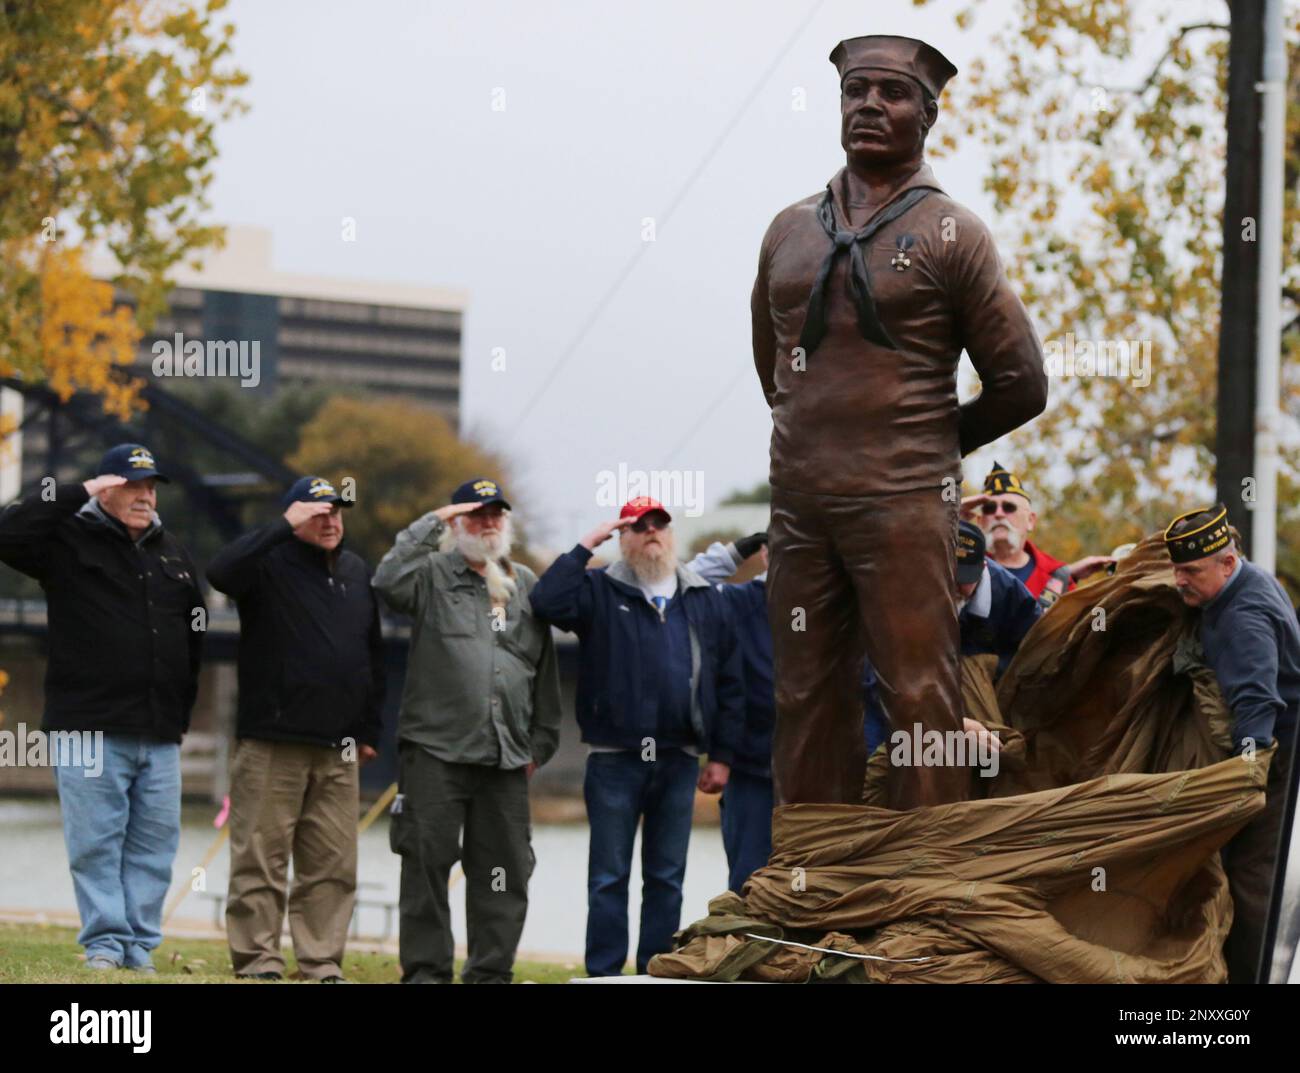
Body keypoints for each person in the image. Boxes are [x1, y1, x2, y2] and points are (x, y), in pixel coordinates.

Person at [752, 34, 1047, 810]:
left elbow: (1021, 382)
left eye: (890, 93)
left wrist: (926, 448)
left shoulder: (956, 233)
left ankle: (928, 883)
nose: (869, 106)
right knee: (803, 691)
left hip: (906, 501)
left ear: (928, 112)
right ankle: (816, 878)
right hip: (802, 503)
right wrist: (817, 444)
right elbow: (777, 371)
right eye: (856, 91)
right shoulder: (789, 231)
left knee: (920, 696)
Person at [0, 443, 204, 973]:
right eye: (134, 485)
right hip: (86, 724)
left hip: (157, 730)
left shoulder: (172, 553)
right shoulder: (66, 539)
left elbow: (194, 634)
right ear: (106, 489)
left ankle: (138, 949)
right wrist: (80, 492)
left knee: (154, 850)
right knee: (96, 845)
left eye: (152, 486)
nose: (147, 495)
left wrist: (180, 713)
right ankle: (106, 946)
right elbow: (8, 531)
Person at [530, 496, 743, 976]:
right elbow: (545, 603)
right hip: (614, 759)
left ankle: (656, 969)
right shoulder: (598, 590)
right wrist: (586, 544)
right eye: (638, 525)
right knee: (608, 876)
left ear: (671, 536)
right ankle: (604, 972)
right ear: (622, 538)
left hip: (679, 757)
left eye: (659, 525)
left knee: (667, 877)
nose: (651, 532)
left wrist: (721, 755)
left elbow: (729, 681)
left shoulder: (702, 598)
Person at [373, 478, 561, 984]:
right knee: (425, 864)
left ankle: (490, 972)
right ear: (457, 523)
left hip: (506, 755)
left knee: (505, 872)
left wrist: (540, 742)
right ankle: (427, 973)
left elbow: (541, 669)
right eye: (476, 514)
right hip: (436, 749)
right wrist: (435, 517)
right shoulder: (431, 575)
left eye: (496, 514)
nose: (488, 522)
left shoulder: (523, 582)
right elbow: (386, 581)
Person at [206, 475, 385, 982]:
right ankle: (258, 960)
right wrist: (284, 526)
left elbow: (371, 653)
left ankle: (321, 963)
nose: (330, 521)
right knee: (260, 859)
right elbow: (220, 571)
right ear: (295, 516)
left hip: (340, 748)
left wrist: (368, 727)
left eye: (337, 513)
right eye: (318, 513)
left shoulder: (355, 571)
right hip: (272, 741)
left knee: (332, 865)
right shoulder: (265, 565)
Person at [1164, 504, 1300, 983]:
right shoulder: (1239, 584)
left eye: (1191, 571)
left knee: (1249, 877)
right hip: (1273, 749)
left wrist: (1244, 780)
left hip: (1274, 756)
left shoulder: (1244, 616)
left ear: (1226, 562)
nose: (1180, 580)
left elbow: (1258, 701)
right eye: (1176, 568)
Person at [864, 520, 1039, 752]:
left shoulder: (1011, 596)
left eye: (965, 579)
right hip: (903, 700)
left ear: (984, 566)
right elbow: (882, 678)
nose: (955, 587)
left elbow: (1034, 656)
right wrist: (951, 724)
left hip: (981, 700)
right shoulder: (901, 593)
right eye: (947, 576)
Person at [685, 532, 774, 893]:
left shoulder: (833, 603)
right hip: (752, 769)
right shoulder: (738, 601)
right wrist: (737, 552)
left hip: (819, 778)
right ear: (765, 555)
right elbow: (682, 587)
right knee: (748, 885)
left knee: (817, 888)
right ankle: (743, 949)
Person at [962, 461, 1112, 608]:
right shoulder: (963, 564)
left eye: (1009, 507)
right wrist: (951, 519)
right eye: (989, 508)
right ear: (980, 521)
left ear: (1030, 520)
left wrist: (1063, 576)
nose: (999, 514)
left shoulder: (1058, 577)